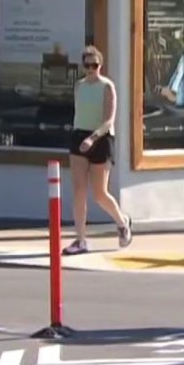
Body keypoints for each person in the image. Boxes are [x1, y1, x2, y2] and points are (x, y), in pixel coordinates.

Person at [63, 46, 133, 255]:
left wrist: (92, 138)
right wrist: (81, 137)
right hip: (79, 136)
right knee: (78, 191)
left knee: (99, 193)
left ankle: (122, 223)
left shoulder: (107, 86)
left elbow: (108, 119)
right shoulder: (79, 86)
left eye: (95, 65)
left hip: (101, 138)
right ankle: (80, 239)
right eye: (87, 65)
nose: (91, 69)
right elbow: (80, 112)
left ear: (100, 65)